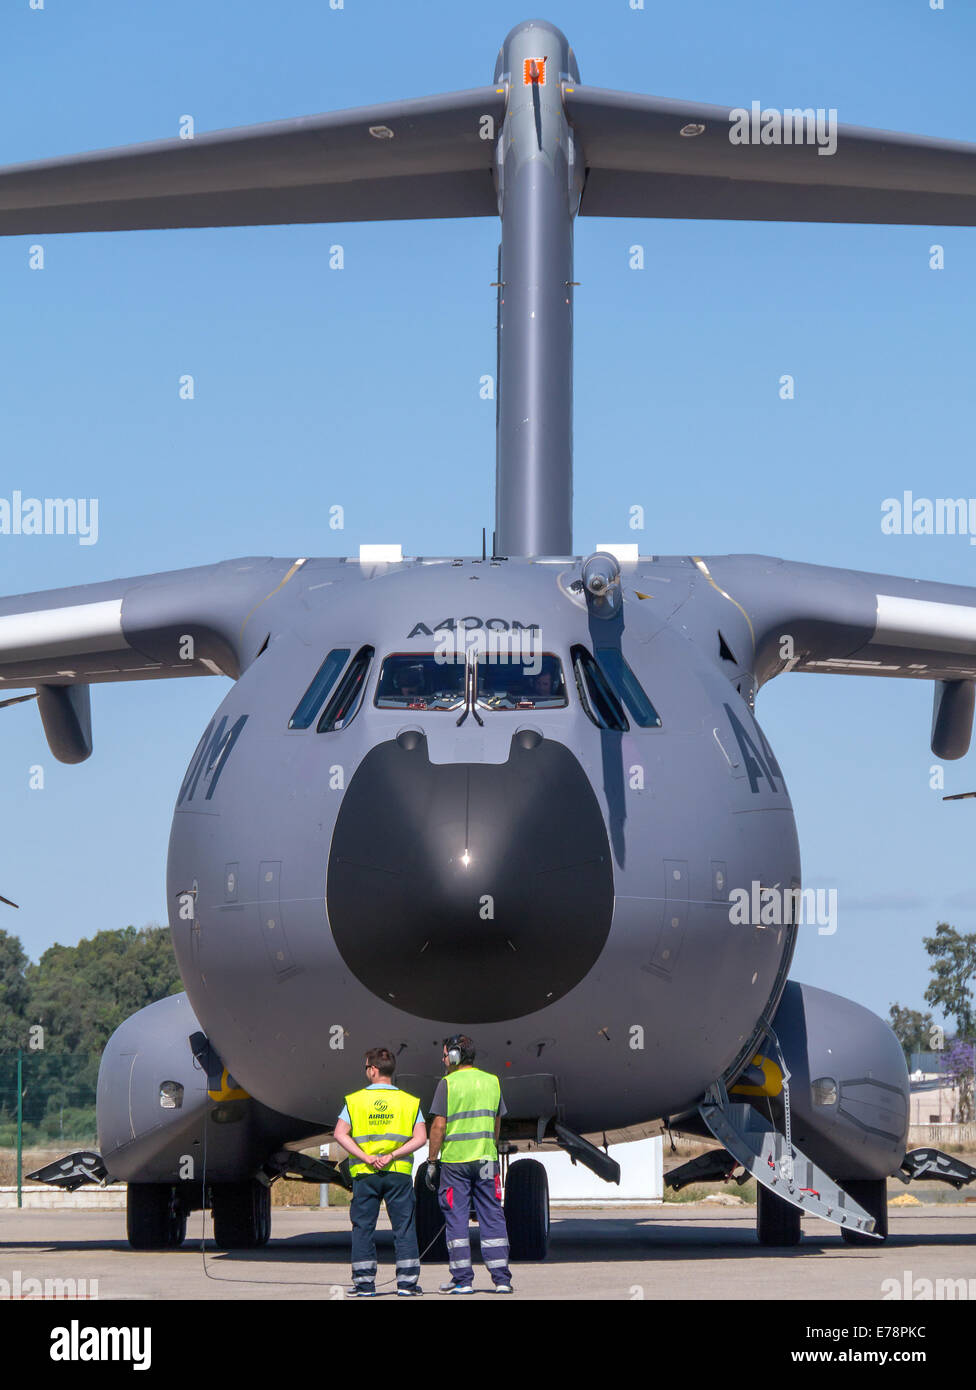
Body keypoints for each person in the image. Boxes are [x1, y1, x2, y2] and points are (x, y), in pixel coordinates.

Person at [334, 1047, 427, 1297]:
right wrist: (393, 1155)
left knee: (363, 1227)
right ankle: (407, 1285)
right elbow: (421, 1137)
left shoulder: (355, 1100)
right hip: (398, 1172)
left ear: (373, 1070)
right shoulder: (409, 1101)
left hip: (366, 1173)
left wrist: (365, 1156)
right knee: (404, 1227)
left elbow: (339, 1133)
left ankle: (364, 1285)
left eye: (366, 1067)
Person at [425, 1035, 513, 1294]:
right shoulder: (492, 1082)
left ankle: (463, 1280)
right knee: (492, 1214)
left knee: (457, 1219)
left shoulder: (448, 1084)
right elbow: (496, 1123)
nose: (443, 1060)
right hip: (486, 1160)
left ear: (454, 1056)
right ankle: (502, 1280)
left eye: (444, 1055)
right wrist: (488, 1147)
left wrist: (432, 1161)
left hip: (456, 1164)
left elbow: (439, 1125)